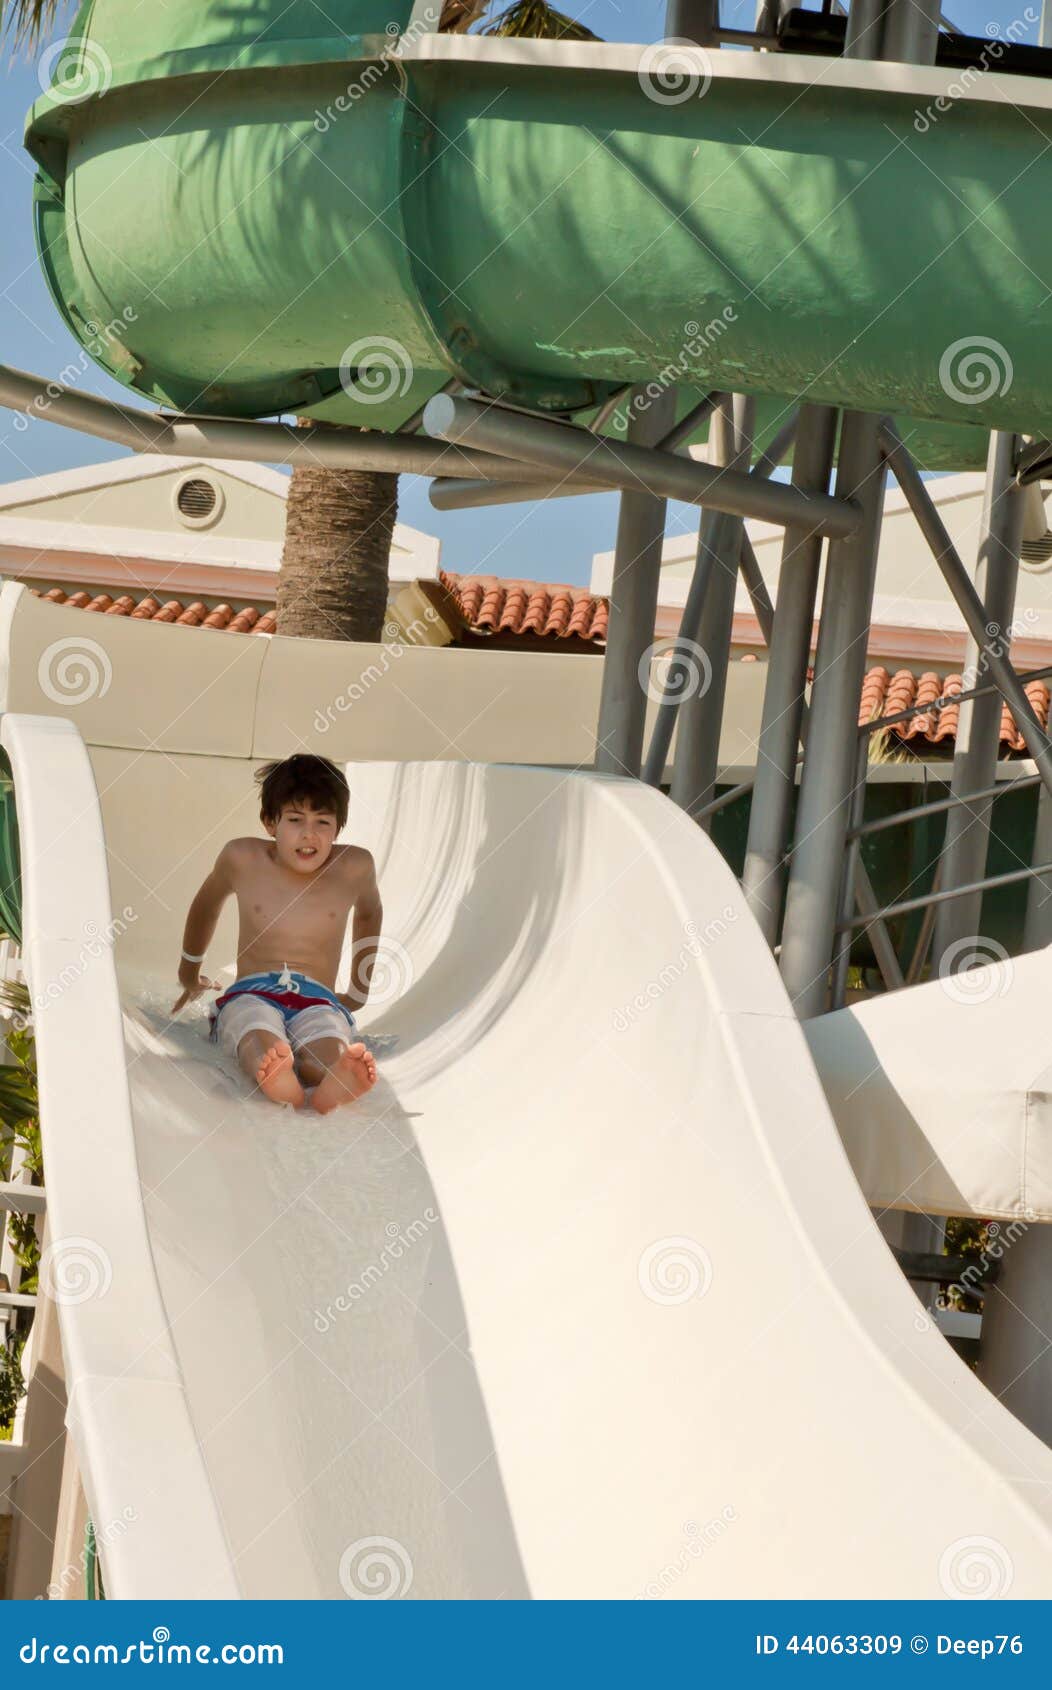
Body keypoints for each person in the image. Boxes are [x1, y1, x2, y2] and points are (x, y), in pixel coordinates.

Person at [171, 753, 381, 1113]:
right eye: (295, 820)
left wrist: (358, 992)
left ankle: (332, 1075)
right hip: (253, 991)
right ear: (271, 822)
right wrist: (189, 973)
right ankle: (274, 1072)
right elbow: (207, 904)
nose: (309, 834)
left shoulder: (354, 868)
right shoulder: (243, 859)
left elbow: (369, 914)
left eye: (323, 822)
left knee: (328, 1037)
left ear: (339, 827)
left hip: (317, 996)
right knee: (256, 1034)